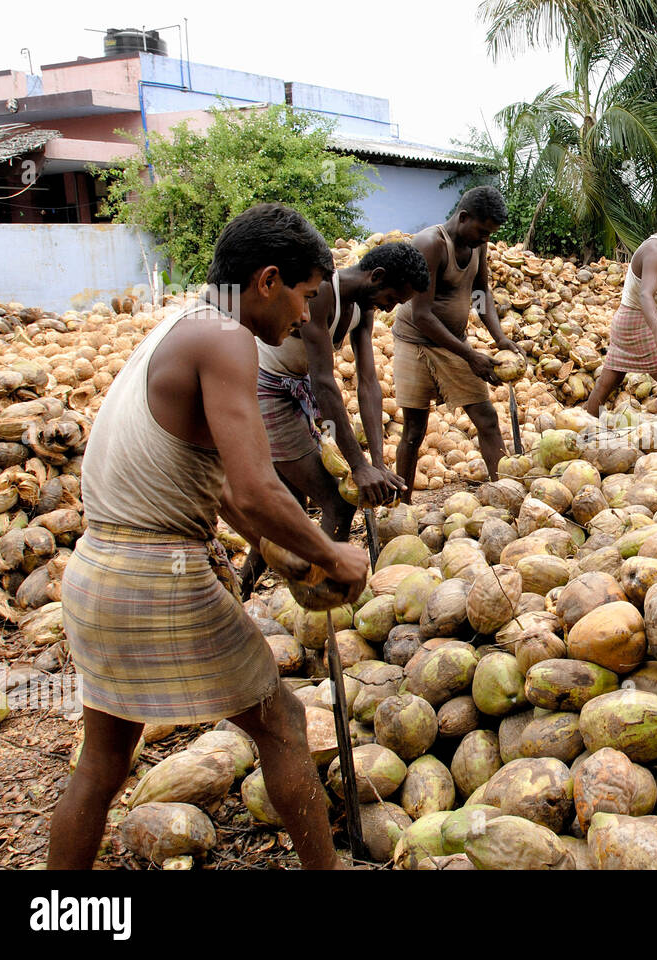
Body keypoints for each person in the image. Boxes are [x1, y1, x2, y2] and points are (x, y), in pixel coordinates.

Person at [47, 204, 370, 870]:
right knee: (281, 724)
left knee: (103, 767)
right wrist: (332, 550)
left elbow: (216, 487)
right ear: (268, 280)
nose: (306, 318)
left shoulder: (179, 326)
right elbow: (255, 488)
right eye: (305, 298)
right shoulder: (225, 339)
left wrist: (288, 554)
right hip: (151, 574)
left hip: (97, 572)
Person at [238, 242, 426, 596]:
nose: (391, 307)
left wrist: (377, 464)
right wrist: (357, 466)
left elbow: (368, 382)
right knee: (337, 502)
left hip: (298, 388)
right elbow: (325, 383)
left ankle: (241, 588)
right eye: (392, 298)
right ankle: (317, 599)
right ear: (377, 276)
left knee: (290, 505)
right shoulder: (322, 294)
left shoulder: (362, 306)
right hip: (268, 389)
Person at [392, 186, 521, 495]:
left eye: (490, 233)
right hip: (415, 342)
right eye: (482, 230)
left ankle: (505, 494)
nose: (485, 239)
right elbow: (422, 314)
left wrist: (500, 338)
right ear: (463, 217)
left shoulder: (478, 245)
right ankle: (402, 507)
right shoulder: (430, 244)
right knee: (413, 430)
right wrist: (469, 355)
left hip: (455, 343)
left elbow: (480, 293)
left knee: (487, 419)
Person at [585, 201, 657, 412]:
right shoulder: (655, 251)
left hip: (629, 320)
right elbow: (646, 293)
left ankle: (584, 424)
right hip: (639, 322)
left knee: (609, 381)